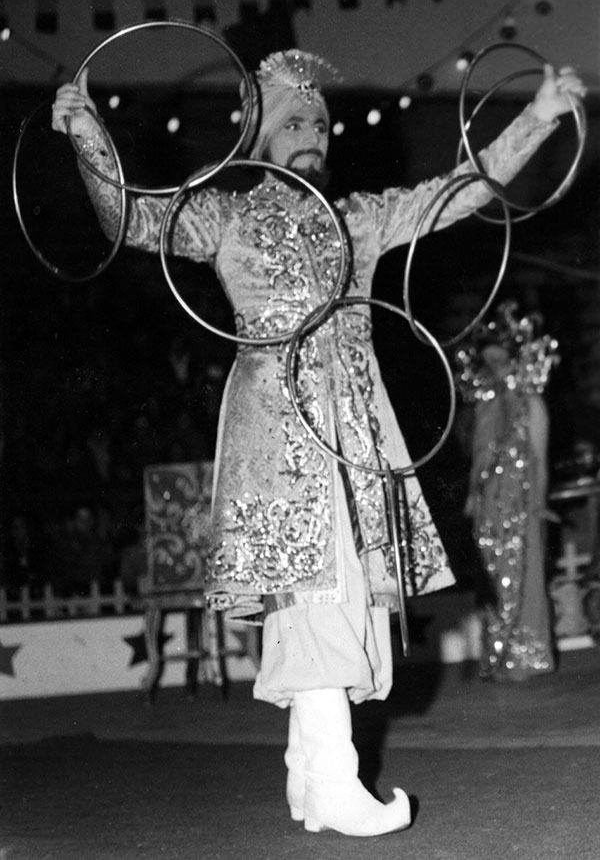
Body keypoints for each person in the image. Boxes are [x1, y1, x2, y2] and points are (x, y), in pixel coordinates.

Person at [51, 50, 585, 836]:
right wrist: (87, 134)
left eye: (322, 124)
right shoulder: (226, 216)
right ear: (259, 136)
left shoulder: (359, 217)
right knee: (317, 593)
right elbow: (129, 218)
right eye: (295, 121)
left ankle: (312, 778)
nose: (314, 133)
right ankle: (332, 780)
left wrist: (538, 117)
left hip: (358, 425)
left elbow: (460, 190)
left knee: (341, 599)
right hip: (280, 426)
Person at [456, 301, 560, 681]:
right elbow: (479, 459)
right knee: (491, 578)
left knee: (524, 575)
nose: (498, 370)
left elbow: (539, 457)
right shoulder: (486, 409)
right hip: (489, 506)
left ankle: (524, 657)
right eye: (490, 362)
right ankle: (497, 655)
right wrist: (472, 496)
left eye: (502, 360)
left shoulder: (532, 405)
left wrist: (538, 504)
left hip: (522, 504)